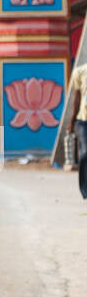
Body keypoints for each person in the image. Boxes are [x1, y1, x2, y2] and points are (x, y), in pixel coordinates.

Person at [68, 61, 87, 198]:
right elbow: (76, 99)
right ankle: (84, 189)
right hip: (83, 120)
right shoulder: (79, 72)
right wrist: (71, 121)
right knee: (85, 154)